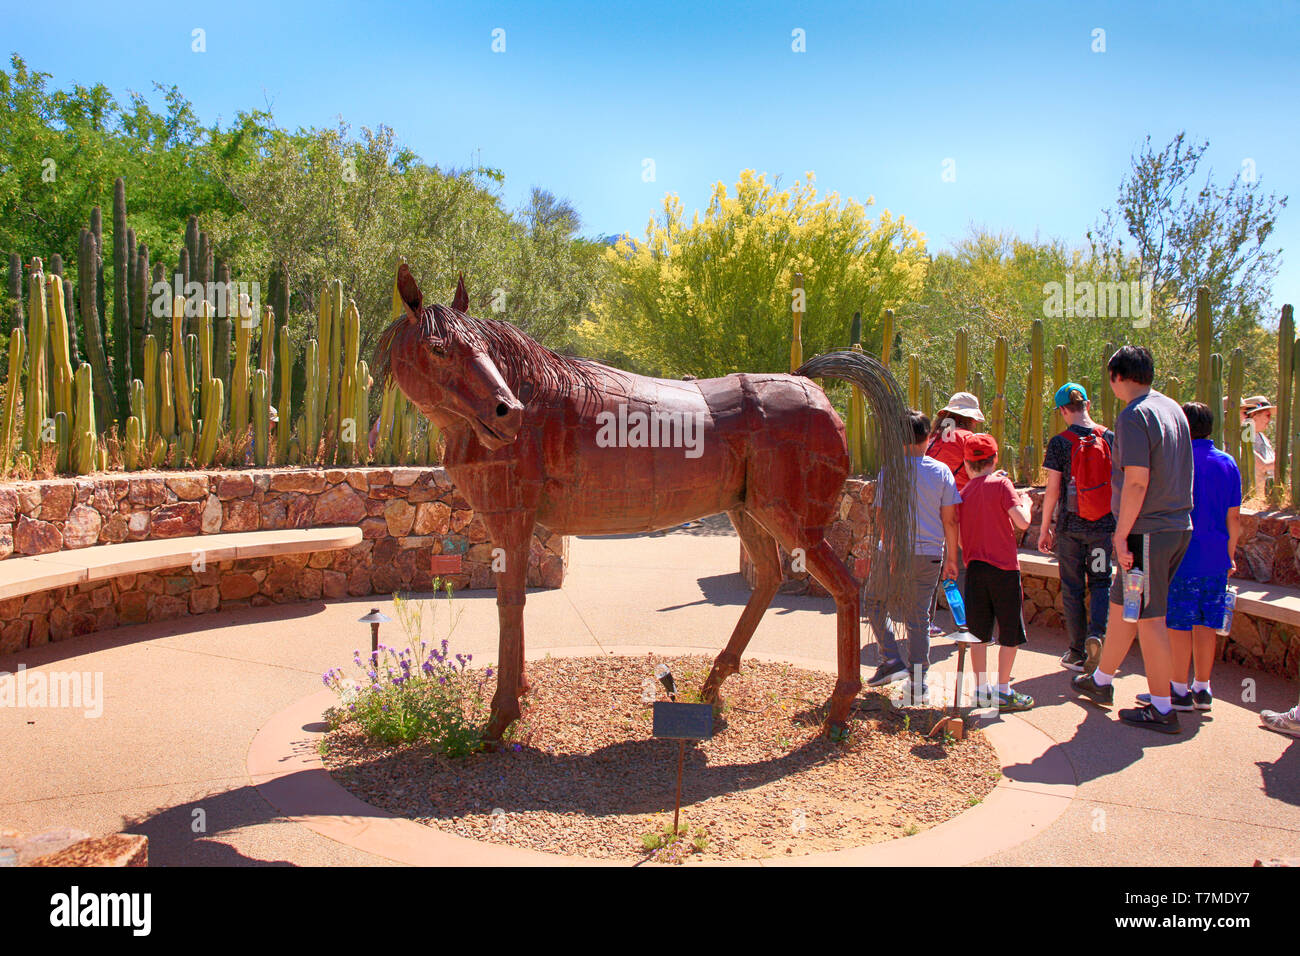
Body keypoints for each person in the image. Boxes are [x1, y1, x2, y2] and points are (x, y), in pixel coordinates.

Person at [1072, 346, 1194, 733]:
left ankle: (1162, 708)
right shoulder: (1172, 408)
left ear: (1117, 377)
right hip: (1176, 526)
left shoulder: (1134, 415)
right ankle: (1102, 681)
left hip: (1147, 530)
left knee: (1150, 619)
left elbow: (1137, 479)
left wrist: (1121, 535)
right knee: (1126, 604)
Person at [1128, 402, 1239, 714]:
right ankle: (1202, 688)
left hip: (1182, 554)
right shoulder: (1228, 463)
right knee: (1207, 624)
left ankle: (1178, 689)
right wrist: (1229, 556)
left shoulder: (1176, 461)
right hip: (1216, 558)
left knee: (1179, 623)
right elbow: (1235, 518)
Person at [864, 410, 960, 705]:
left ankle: (891, 657)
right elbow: (950, 520)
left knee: (874, 602)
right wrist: (952, 559)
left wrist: (891, 548)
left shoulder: (890, 470)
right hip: (930, 554)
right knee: (919, 616)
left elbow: (883, 515)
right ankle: (919, 684)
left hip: (894, 551)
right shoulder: (942, 472)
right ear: (928, 438)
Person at [1037, 383, 1116, 671]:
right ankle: (1098, 637)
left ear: (1062, 411)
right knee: (1100, 582)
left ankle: (1076, 650)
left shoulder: (1060, 442)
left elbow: (1054, 489)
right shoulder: (1109, 437)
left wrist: (1046, 527)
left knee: (1072, 586)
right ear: (1088, 405)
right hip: (1103, 527)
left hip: (1070, 529)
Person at [957, 433, 1035, 711]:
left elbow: (960, 539)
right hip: (1004, 569)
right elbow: (1022, 522)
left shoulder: (963, 494)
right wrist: (1026, 502)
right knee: (1010, 630)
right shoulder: (1003, 485)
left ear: (967, 464)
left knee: (979, 632)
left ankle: (980, 689)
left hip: (976, 570)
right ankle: (1003, 689)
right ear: (995, 458)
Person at [926, 391, 984, 633]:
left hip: (929, 507)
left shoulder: (933, 439)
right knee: (961, 566)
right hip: (959, 510)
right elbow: (978, 473)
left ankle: (924, 621)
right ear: (969, 418)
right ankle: (964, 623)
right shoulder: (969, 439)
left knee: (932, 567)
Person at [1240, 395, 1277, 499]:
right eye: (1267, 415)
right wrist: (1289, 459)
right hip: (1252, 498)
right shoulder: (1242, 439)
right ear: (1254, 415)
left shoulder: (1263, 438)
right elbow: (1262, 466)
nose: (1269, 420)